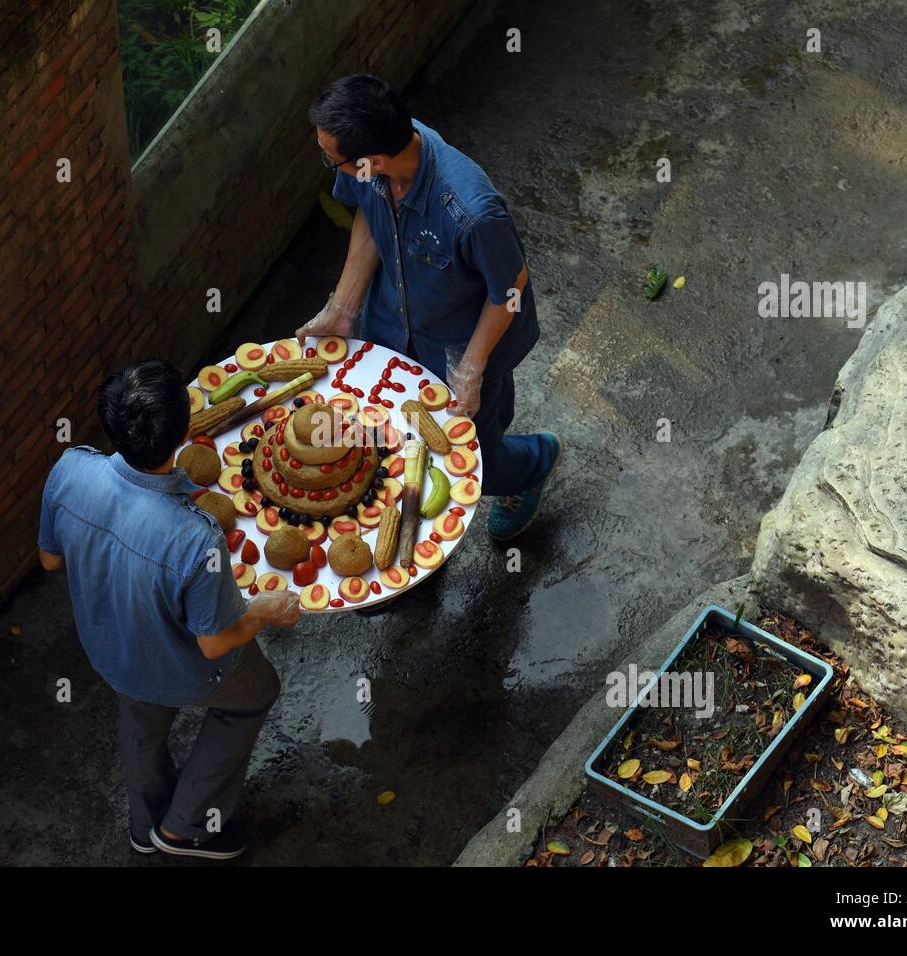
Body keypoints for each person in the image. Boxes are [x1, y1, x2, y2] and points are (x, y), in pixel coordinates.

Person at [37, 359, 300, 861]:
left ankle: (144, 824)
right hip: (184, 669)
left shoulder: (68, 470)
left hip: (109, 651)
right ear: (185, 433)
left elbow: (50, 559)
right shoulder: (195, 536)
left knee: (141, 721)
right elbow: (216, 641)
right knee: (254, 692)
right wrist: (263, 610)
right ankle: (186, 828)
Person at [298, 74, 562, 541]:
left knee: (466, 461)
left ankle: (532, 465)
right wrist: (343, 306)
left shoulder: (471, 211)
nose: (329, 166)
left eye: (330, 159)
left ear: (372, 160)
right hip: (393, 327)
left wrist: (471, 369)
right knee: (392, 440)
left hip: (460, 349)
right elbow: (368, 214)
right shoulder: (372, 164)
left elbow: (511, 288)